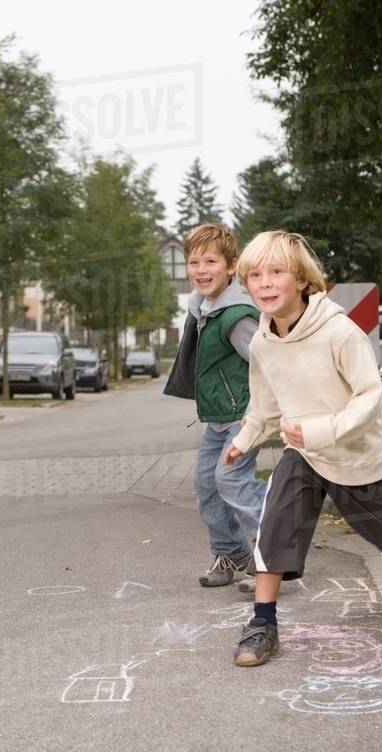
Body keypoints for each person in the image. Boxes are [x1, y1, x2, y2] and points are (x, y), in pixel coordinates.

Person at [223, 231, 382, 666]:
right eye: (254, 275)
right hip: (302, 453)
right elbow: (265, 404)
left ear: (303, 280)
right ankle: (262, 622)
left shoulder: (339, 332)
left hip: (356, 453)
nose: (264, 283)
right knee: (275, 524)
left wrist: (326, 431)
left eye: (276, 272)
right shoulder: (264, 343)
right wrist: (244, 439)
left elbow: (369, 395)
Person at [163, 223, 268, 588]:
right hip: (218, 418)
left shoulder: (235, 315)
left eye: (210, 261)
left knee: (231, 480)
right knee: (206, 485)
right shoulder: (202, 306)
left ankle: (272, 554)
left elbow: (266, 361)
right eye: (194, 262)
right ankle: (230, 553)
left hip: (245, 416)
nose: (201, 270)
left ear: (230, 266)